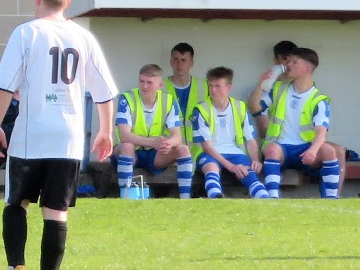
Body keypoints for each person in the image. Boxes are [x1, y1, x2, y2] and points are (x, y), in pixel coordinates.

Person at [0, 0, 118, 270]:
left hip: (32, 133)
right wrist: (105, 131)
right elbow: (104, 92)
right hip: (69, 136)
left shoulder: (26, 33)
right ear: (68, 2)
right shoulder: (83, 36)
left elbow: (4, 85)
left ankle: (17, 265)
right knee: (57, 211)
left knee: (16, 201)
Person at [259, 46, 342, 199]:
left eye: (294, 62)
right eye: (288, 61)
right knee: (271, 149)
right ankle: (271, 198)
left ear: (307, 68)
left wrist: (313, 150)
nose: (288, 65)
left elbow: (321, 131)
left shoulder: (319, 100)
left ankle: (331, 199)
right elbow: (255, 106)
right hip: (281, 147)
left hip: (304, 149)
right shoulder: (277, 88)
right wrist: (262, 84)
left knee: (330, 151)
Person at [189, 65, 271, 199]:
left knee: (248, 172)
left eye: (218, 86)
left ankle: (265, 199)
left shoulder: (240, 107)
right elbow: (207, 147)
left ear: (229, 87)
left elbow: (250, 139)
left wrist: (255, 160)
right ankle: (216, 197)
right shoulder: (200, 109)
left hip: (235, 152)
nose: (213, 90)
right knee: (211, 168)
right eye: (210, 86)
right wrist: (231, 167)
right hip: (208, 153)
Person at [114, 63, 193, 199]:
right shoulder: (127, 98)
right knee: (127, 146)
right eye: (142, 81)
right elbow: (124, 135)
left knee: (183, 149)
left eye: (149, 83)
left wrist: (167, 143)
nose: (144, 86)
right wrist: (153, 142)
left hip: (154, 153)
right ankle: (125, 196)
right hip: (129, 152)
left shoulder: (168, 101)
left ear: (160, 85)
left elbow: (177, 137)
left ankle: (185, 199)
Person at [248, 39, 297, 137]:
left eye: (292, 60)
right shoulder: (269, 90)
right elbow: (263, 129)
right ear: (276, 60)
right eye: (284, 58)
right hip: (277, 145)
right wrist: (261, 84)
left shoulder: (305, 88)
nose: (288, 63)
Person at [165, 42, 210, 131]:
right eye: (176, 59)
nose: (179, 64)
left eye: (183, 60)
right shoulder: (159, 86)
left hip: (197, 143)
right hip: (170, 143)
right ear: (170, 62)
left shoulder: (205, 86)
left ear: (191, 63)